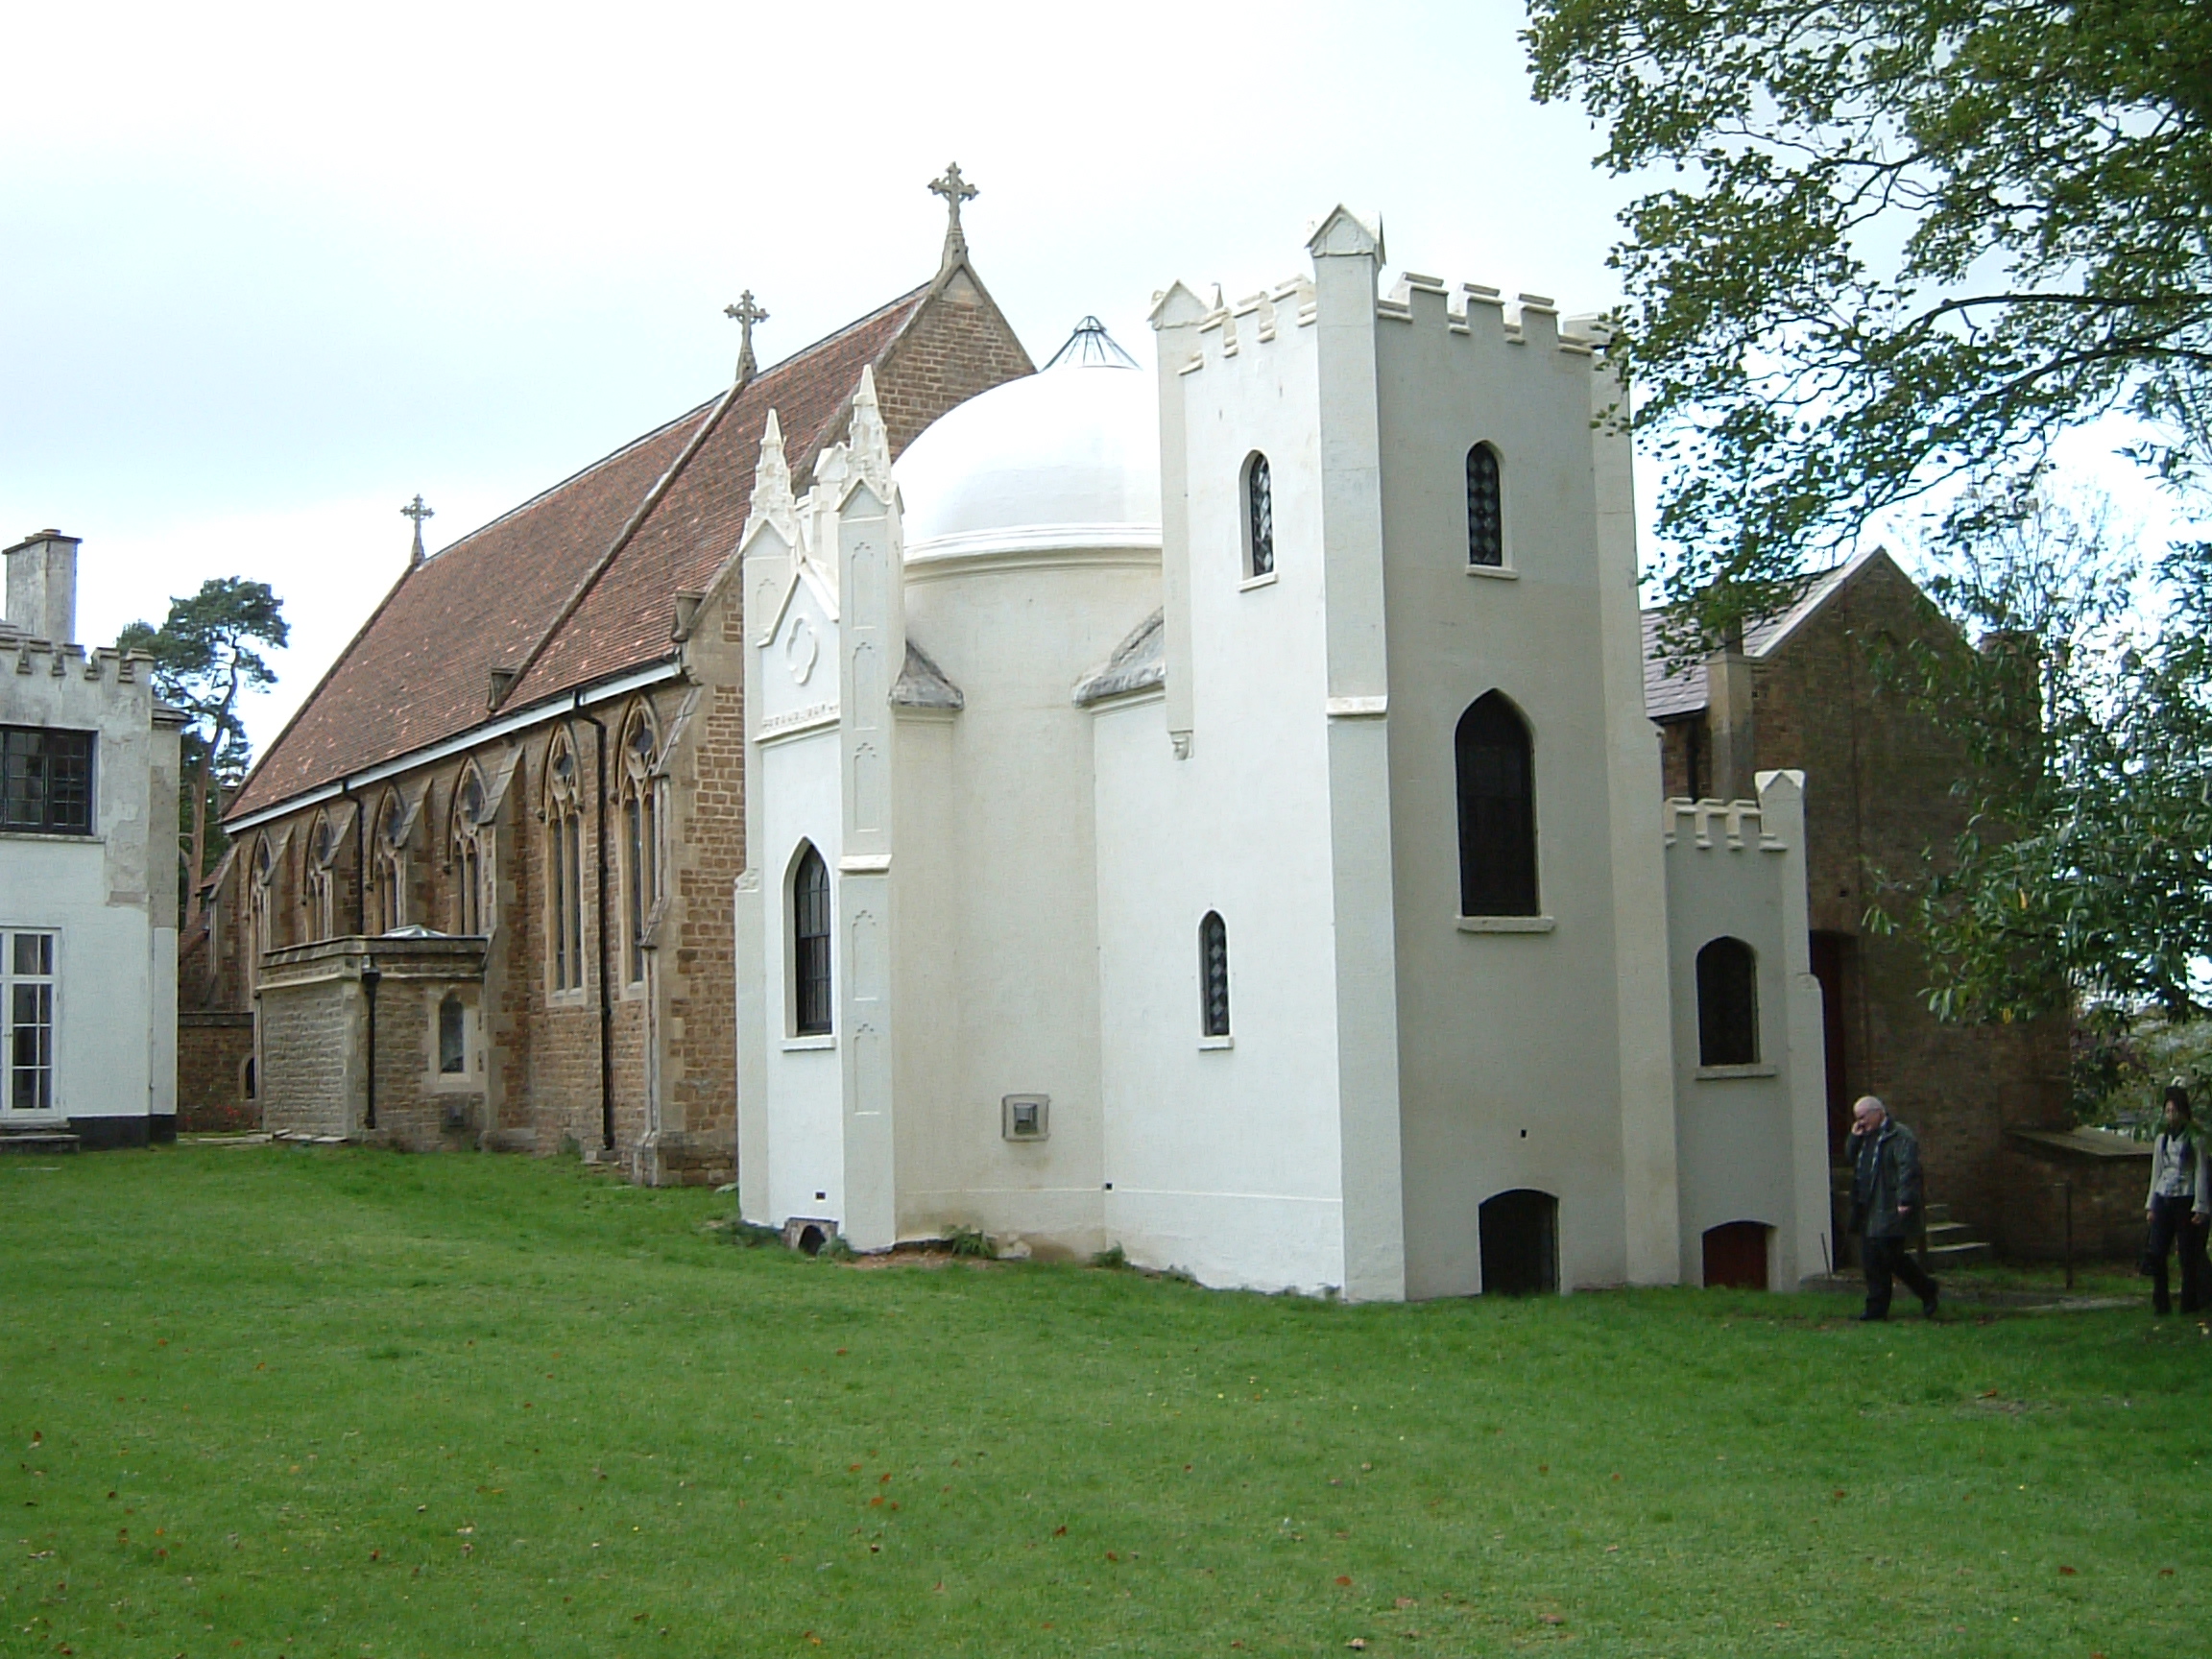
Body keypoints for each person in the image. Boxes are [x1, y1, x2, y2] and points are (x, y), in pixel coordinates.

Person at [1845, 1094, 1939, 1321]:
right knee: (1871, 1260)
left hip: (1888, 1206)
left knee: (1892, 1257)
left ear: (1878, 1113)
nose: (1860, 1123)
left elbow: (1908, 1169)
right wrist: (1854, 1138)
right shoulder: (1865, 1137)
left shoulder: (1900, 1136)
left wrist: (1905, 1199)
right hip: (1868, 1207)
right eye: (1857, 1119)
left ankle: (1926, 1289)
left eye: (1863, 1118)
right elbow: (1851, 1158)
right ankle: (1876, 1309)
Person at [2143, 1082, 2210, 1315]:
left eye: (2175, 1111)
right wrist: (2151, 1204)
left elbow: (2201, 1172)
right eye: (2168, 1111)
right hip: (2164, 1197)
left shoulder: (2194, 1138)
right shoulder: (2162, 1138)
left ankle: (2189, 1302)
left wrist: (2200, 1206)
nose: (2171, 1116)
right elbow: (2157, 1171)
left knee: (2187, 1254)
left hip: (2185, 1198)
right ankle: (2161, 1302)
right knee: (2157, 1252)